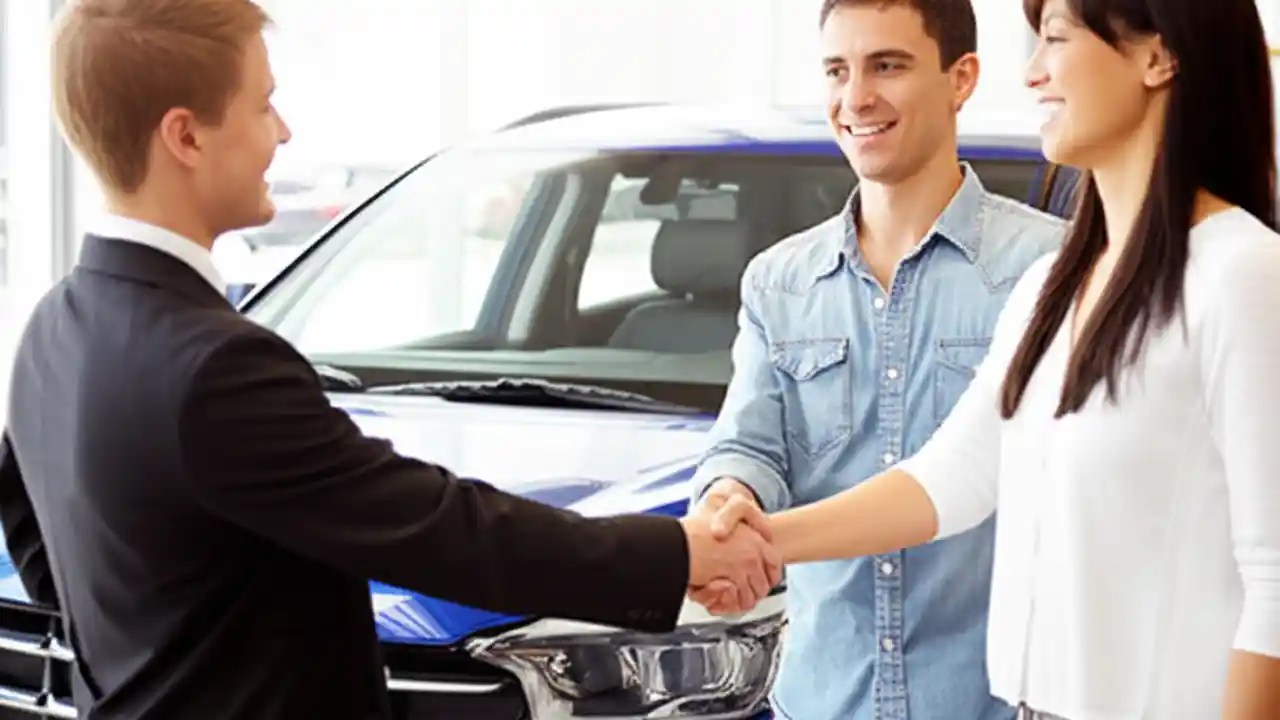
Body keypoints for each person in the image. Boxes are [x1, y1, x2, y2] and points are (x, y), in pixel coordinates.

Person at [0, 1, 779, 718]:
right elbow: (444, 527)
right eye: (262, 102)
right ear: (186, 135)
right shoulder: (214, 367)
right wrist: (678, 552)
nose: (283, 132)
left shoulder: (52, 331)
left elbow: (43, 550)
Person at [702, 0, 1280, 717]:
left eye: (1057, 41)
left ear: (1159, 57)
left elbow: (1276, 585)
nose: (1033, 75)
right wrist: (751, 543)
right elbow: (953, 478)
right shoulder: (1056, 284)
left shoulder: (1243, 274)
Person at [683, 1, 1065, 718]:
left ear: (962, 78)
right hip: (824, 700)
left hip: (993, 706)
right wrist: (727, 500)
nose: (855, 98)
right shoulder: (779, 280)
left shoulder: (1051, 267)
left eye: (887, 65)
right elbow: (748, 445)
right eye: (837, 70)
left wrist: (751, 546)